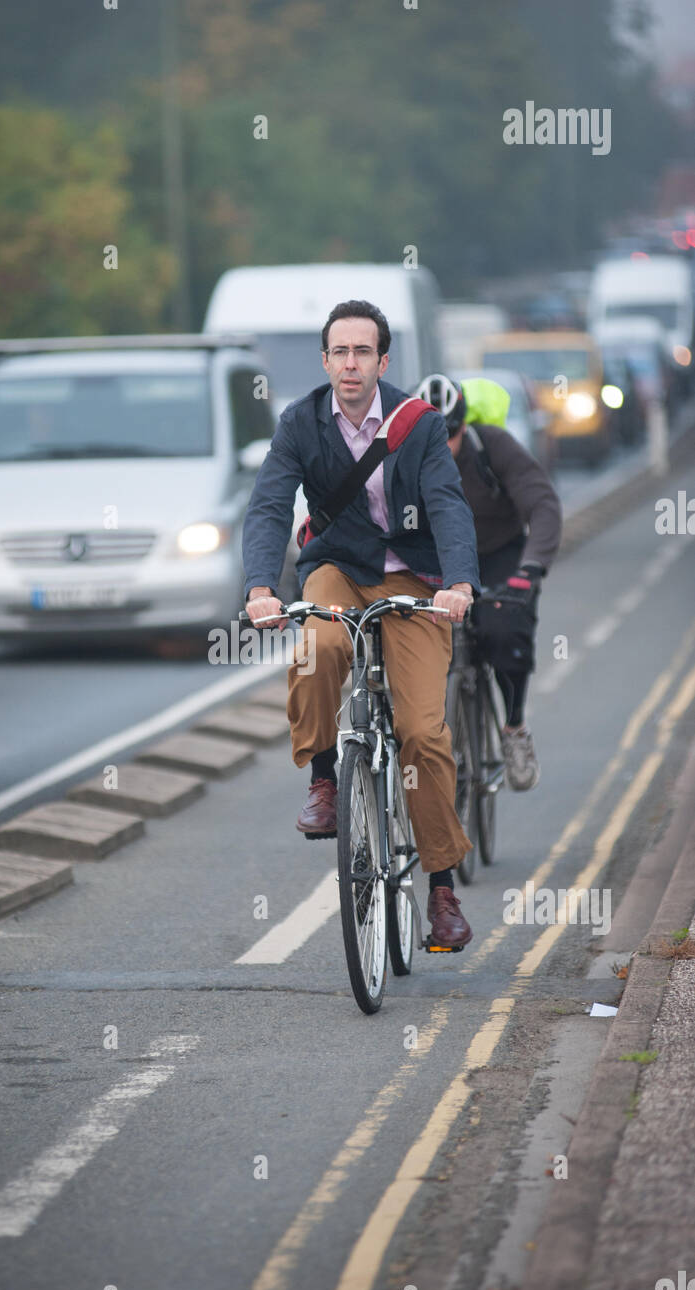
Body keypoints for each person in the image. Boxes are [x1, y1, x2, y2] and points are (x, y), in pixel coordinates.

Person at [242, 301, 481, 949]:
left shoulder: (420, 425)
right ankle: (324, 777)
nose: (350, 364)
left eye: (362, 352)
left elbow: (446, 504)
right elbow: (267, 505)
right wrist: (261, 586)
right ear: (325, 361)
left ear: (382, 360)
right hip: (339, 569)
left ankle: (440, 890)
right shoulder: (299, 423)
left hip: (415, 581)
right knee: (318, 643)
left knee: (421, 734)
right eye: (339, 352)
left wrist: (458, 582)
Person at [414, 374, 562, 790]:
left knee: (506, 634)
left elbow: (543, 503)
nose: (441, 447)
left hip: (498, 556)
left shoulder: (492, 446)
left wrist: (529, 570)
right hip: (436, 563)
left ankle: (514, 728)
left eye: (450, 435)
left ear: (465, 426)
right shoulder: (401, 457)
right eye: (429, 437)